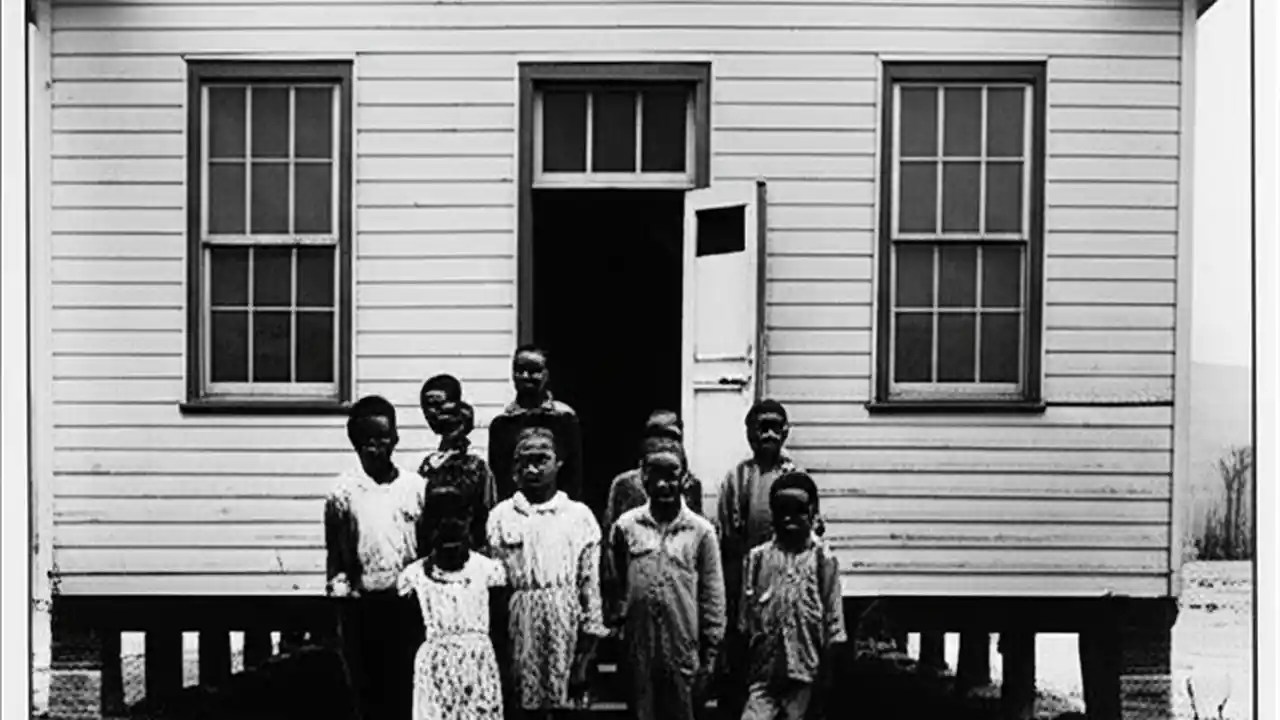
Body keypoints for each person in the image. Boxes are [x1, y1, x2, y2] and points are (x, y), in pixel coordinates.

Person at [486, 425, 607, 719]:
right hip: (520, 616)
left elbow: (589, 582)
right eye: (525, 461)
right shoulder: (502, 516)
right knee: (523, 703)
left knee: (564, 700)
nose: (533, 468)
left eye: (542, 459)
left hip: (564, 615)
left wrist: (589, 639)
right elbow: (496, 584)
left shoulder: (578, 516)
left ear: (558, 462)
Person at [715, 399, 824, 720]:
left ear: (786, 431)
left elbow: (814, 533)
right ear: (749, 432)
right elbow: (729, 541)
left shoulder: (797, 479)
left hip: (791, 586)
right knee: (743, 666)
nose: (769, 433)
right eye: (762, 426)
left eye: (777, 426)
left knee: (794, 678)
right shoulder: (737, 478)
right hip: (748, 585)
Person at [324, 395, 426, 720]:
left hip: (407, 602)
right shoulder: (344, 492)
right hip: (363, 602)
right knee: (367, 687)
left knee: (406, 684)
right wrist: (342, 595)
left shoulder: (415, 487)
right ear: (354, 442)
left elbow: (424, 545)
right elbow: (337, 551)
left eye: (383, 438)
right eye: (366, 440)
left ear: (395, 437)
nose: (376, 447)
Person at [608, 446, 725, 720]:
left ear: (684, 479)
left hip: (684, 643)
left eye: (671, 476)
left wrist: (711, 654)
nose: (663, 484)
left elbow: (713, 595)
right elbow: (616, 586)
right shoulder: (626, 526)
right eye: (655, 475)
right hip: (639, 644)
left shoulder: (701, 531)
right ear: (643, 478)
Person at [738, 471, 845, 720]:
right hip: (764, 676)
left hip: (805, 675)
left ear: (812, 513)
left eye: (798, 510)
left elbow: (834, 626)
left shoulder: (822, 560)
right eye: (782, 510)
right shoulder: (757, 560)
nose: (789, 518)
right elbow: (745, 623)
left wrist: (824, 683)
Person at [399, 485, 508, 720]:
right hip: (434, 671)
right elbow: (408, 635)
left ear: (469, 520)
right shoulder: (413, 577)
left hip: (479, 668)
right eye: (439, 518)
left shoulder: (489, 571)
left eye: (457, 517)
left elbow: (501, 631)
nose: (449, 525)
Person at [487, 345, 584, 503]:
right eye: (519, 370)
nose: (526, 376)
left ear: (547, 374)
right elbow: (499, 478)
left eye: (534, 370)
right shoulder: (502, 423)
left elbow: (573, 476)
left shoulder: (563, 418)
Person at [419, 398, 497, 554]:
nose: (453, 432)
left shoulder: (478, 467)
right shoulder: (430, 465)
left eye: (457, 425)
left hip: (471, 544)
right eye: (447, 426)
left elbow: (489, 507)